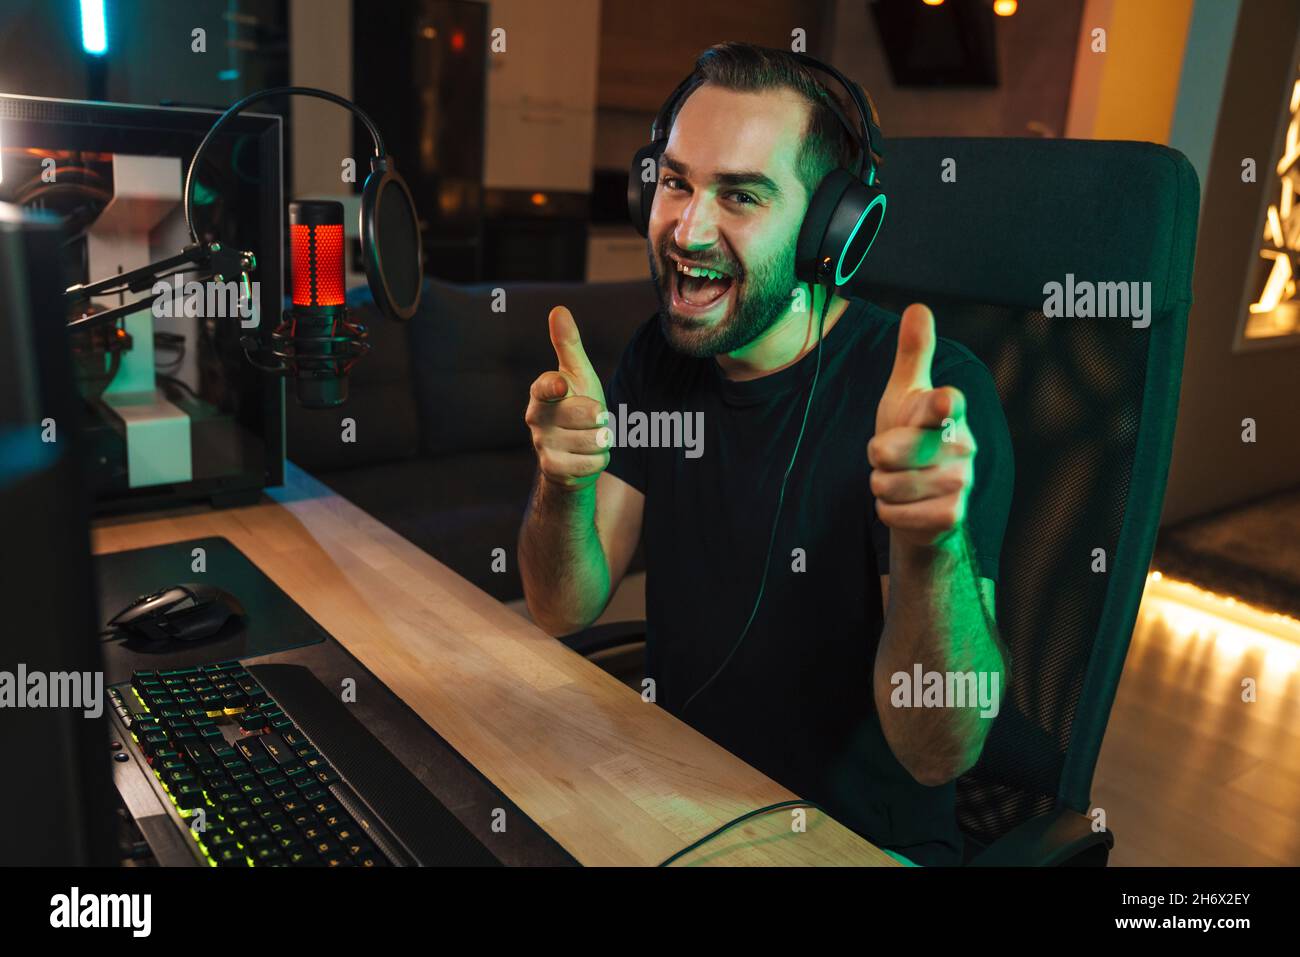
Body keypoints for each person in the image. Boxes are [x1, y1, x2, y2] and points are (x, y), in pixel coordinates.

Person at [518, 42, 1014, 866]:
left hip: (846, 844)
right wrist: (563, 484)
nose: (687, 227)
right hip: (678, 802)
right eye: (675, 181)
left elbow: (940, 751)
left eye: (740, 195)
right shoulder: (658, 356)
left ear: (830, 230)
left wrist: (931, 549)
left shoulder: (932, 402)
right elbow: (563, 606)